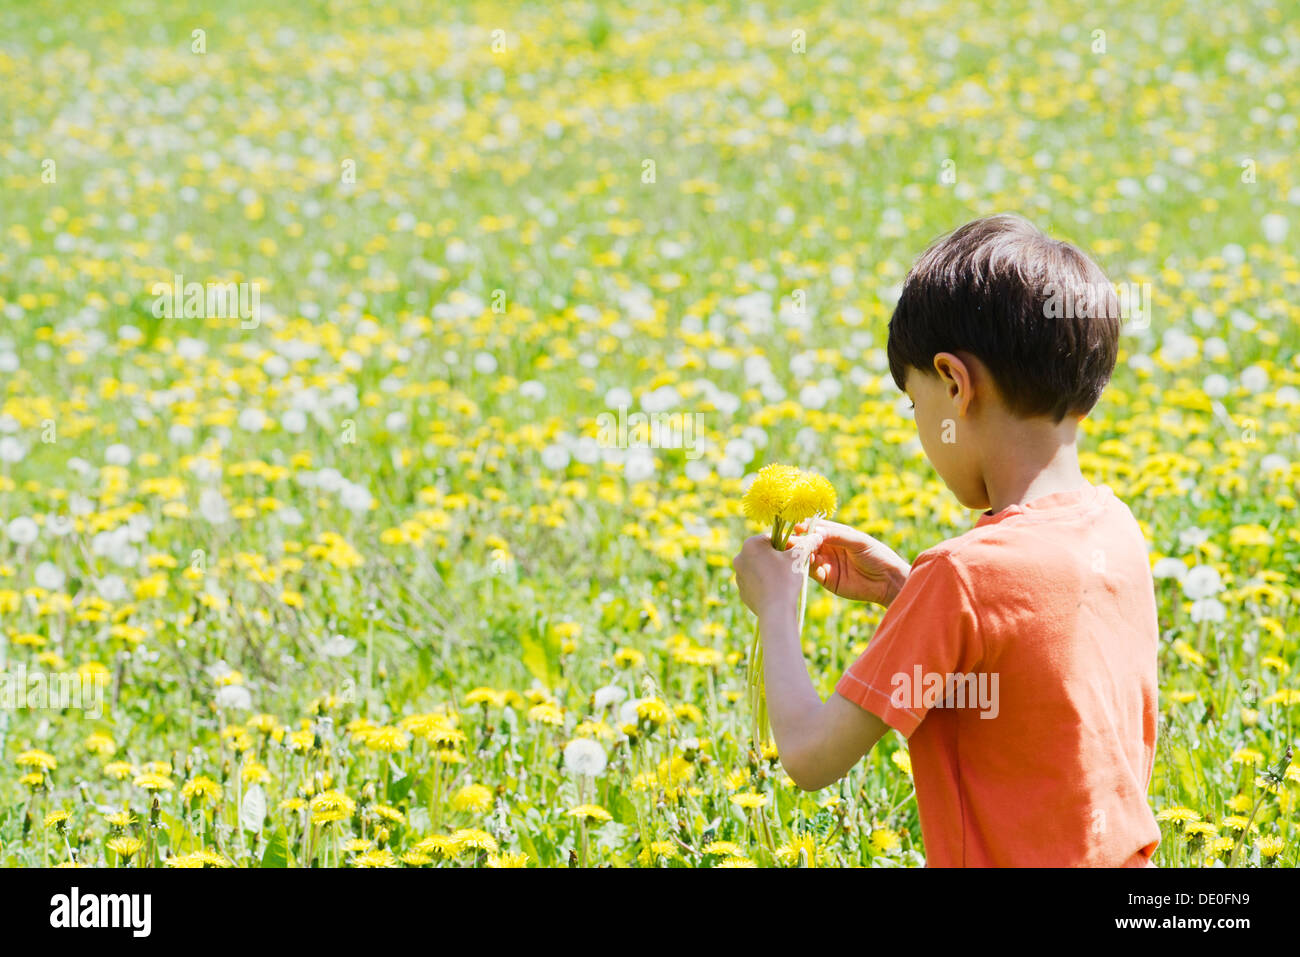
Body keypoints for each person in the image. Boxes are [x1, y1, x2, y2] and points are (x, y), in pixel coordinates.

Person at [732, 213, 1161, 867]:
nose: (918, 425)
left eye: (913, 402)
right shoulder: (1115, 529)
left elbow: (810, 754)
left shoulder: (961, 578)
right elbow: (1030, 670)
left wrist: (775, 607)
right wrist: (909, 596)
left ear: (955, 383)